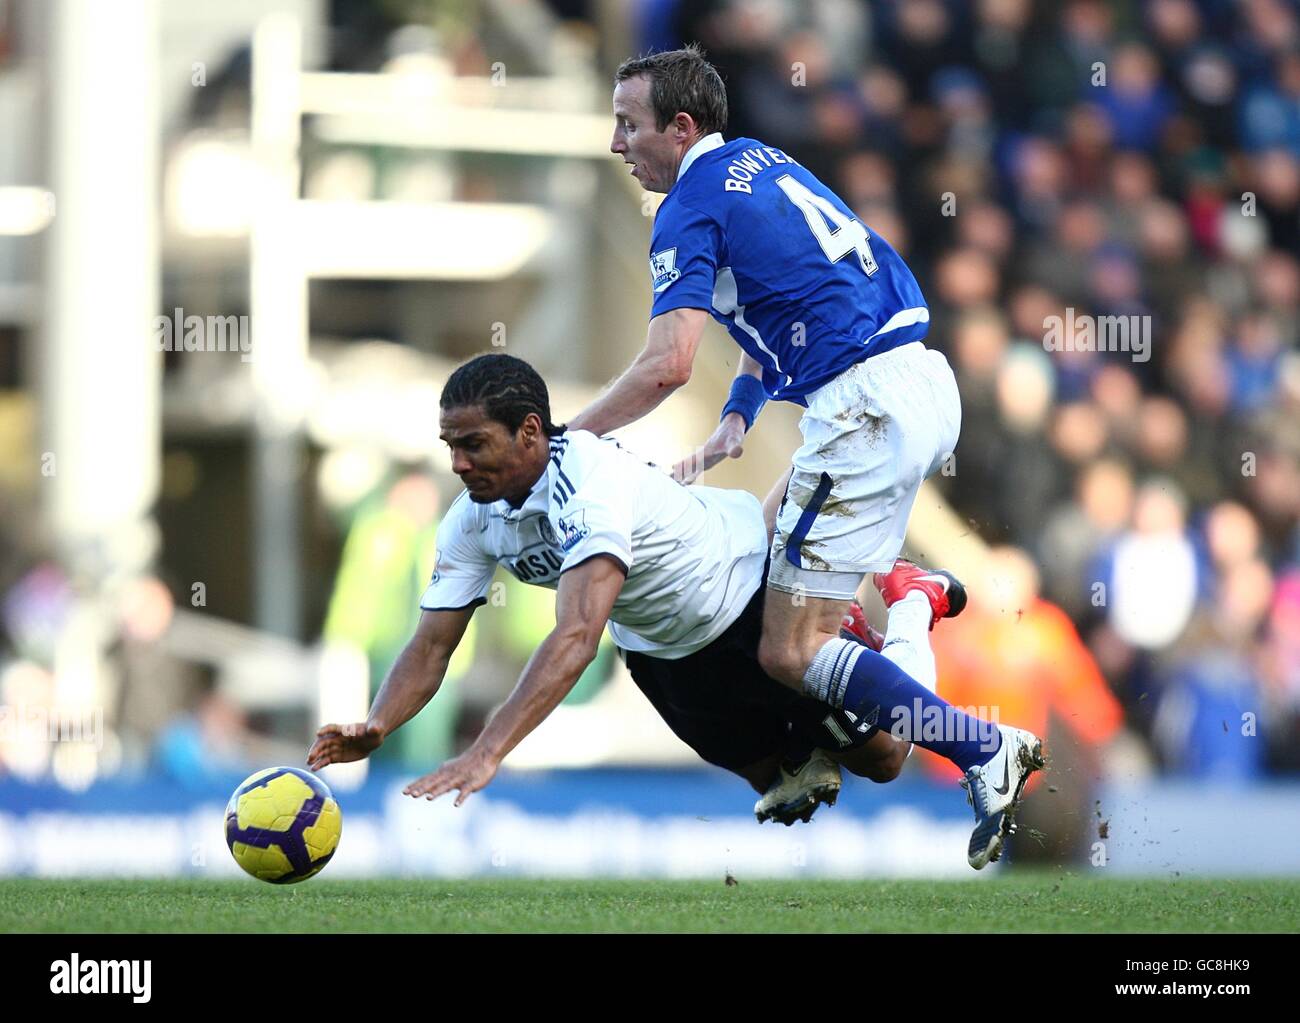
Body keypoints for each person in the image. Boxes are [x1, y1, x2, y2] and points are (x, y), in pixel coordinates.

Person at [563, 45, 1042, 865]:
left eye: (627, 125)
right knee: (760, 543)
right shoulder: (759, 162)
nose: (617, 144)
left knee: (790, 647)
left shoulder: (684, 209)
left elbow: (667, 363)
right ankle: (911, 606)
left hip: (861, 410)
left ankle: (981, 748)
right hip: (919, 383)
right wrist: (741, 413)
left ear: (679, 129)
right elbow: (783, 296)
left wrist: (568, 442)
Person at [308, 354, 1041, 868]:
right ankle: (805, 746)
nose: (459, 463)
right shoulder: (471, 519)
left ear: (531, 431)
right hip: (665, 657)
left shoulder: (588, 484)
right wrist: (378, 722)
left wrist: (487, 750)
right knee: (785, 776)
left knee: (884, 758)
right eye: (450, 447)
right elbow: (432, 644)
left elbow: (573, 637)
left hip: (746, 594)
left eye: (474, 444)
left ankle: (913, 604)